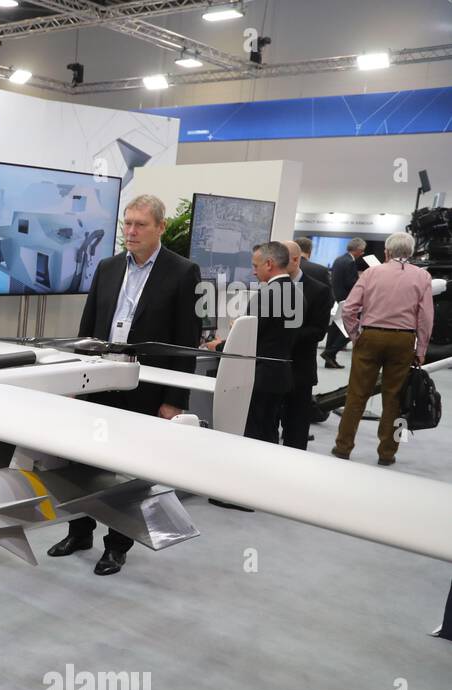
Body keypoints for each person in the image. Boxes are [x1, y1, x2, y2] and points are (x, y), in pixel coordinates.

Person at [44, 193, 202, 577]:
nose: (130, 231)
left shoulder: (183, 272)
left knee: (130, 468)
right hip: (97, 382)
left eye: (140, 224)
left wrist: (174, 399)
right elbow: (86, 330)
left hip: (145, 386)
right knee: (80, 459)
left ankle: (117, 545)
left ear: (160, 227)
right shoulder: (108, 266)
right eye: (127, 223)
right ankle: (79, 531)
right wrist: (73, 378)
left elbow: (186, 342)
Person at [331, 232, 434, 466]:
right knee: (395, 398)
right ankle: (387, 453)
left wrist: (357, 335)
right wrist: (422, 347)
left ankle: (343, 447)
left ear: (387, 252)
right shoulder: (422, 276)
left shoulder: (371, 273)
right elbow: (426, 317)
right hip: (403, 340)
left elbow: (349, 309)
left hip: (371, 335)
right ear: (410, 253)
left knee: (356, 395)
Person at [205, 242, 296, 443]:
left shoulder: (266, 295)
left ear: (269, 264)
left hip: (259, 377)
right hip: (280, 375)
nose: (253, 272)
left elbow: (249, 341)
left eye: (255, 266)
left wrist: (218, 345)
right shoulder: (296, 292)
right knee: (269, 432)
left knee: (252, 435)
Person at [278, 240, 332, 449]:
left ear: (296, 259)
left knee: (296, 431)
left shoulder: (319, 291)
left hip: (299, 371)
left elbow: (318, 332)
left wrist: (283, 335)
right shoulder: (270, 286)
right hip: (272, 370)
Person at [323, 238, 367, 368]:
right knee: (350, 330)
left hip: (337, 298)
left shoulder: (339, 259)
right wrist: (361, 281)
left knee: (335, 330)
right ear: (358, 250)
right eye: (362, 251)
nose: (362, 253)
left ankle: (329, 359)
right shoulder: (349, 262)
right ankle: (329, 353)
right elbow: (350, 283)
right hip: (347, 300)